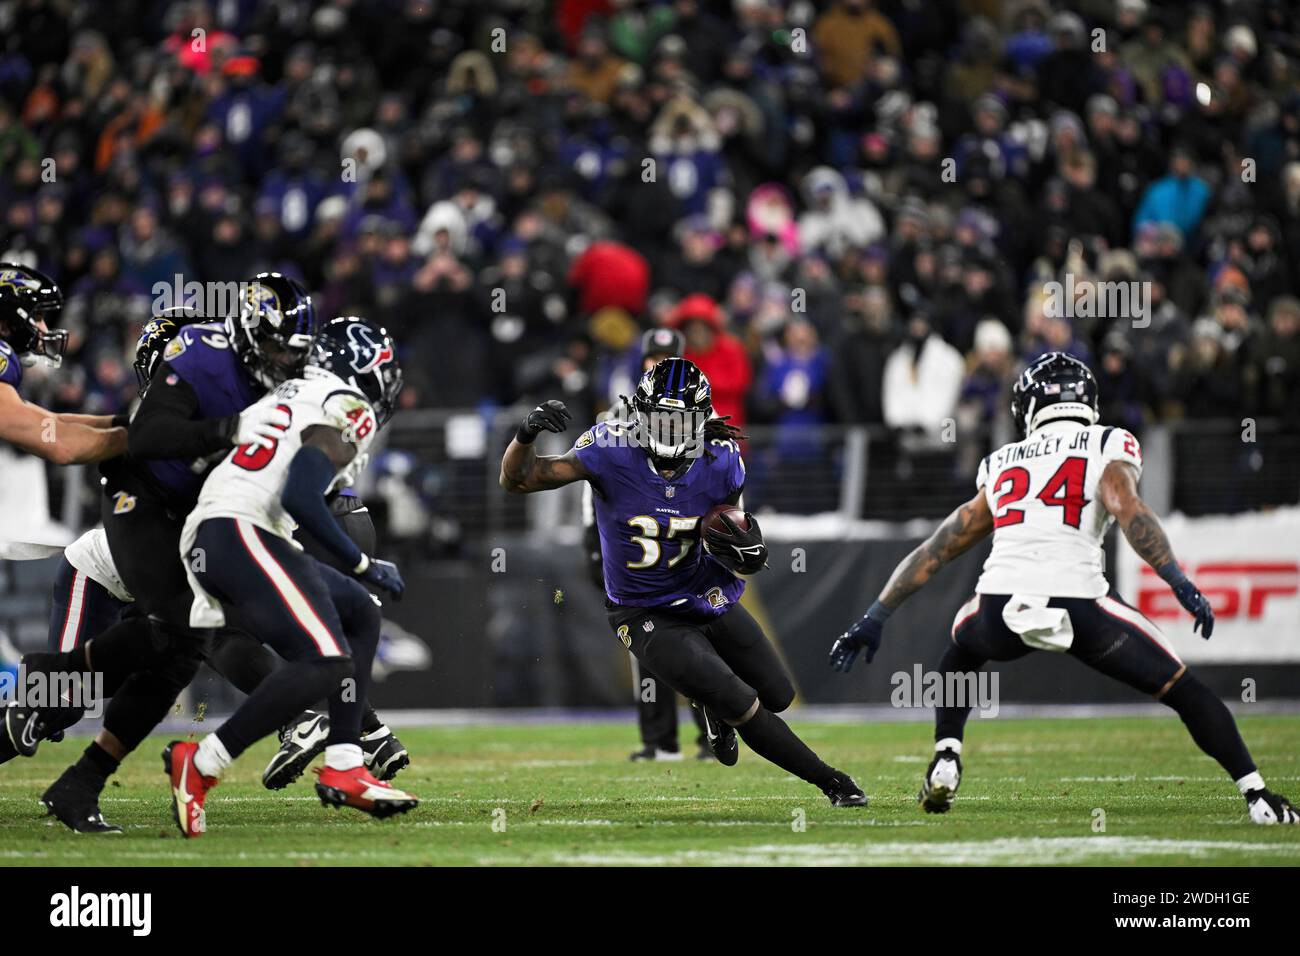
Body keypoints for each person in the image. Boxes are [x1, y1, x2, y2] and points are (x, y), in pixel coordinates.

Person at [828, 352, 1299, 825]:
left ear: (1029, 407)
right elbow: (1129, 511)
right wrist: (1176, 579)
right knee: (1183, 689)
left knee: (960, 651)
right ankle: (1257, 796)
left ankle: (947, 755)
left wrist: (875, 616)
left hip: (998, 608)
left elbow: (940, 547)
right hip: (1081, 605)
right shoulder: (1107, 443)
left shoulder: (1002, 461)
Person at [502, 357, 867, 806]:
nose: (671, 431)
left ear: (701, 419)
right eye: (661, 419)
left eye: (681, 421)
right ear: (640, 414)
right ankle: (833, 783)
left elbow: (728, 529)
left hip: (704, 593)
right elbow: (519, 480)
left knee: (779, 693)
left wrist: (745, 548)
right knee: (740, 701)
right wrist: (525, 435)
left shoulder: (721, 459)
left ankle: (712, 709)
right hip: (645, 610)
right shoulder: (611, 449)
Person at [164, 315, 415, 837]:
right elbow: (300, 494)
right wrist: (361, 562)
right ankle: (202, 761)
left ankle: (345, 763)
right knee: (325, 659)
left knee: (360, 614)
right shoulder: (347, 403)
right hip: (240, 528)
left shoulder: (289, 390)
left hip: (227, 528)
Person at [584, 327, 711, 761]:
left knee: (698, 645)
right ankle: (659, 741)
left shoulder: (704, 417)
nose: (657, 365)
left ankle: (712, 736)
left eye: (666, 358)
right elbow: (591, 479)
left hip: (685, 539)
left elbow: (722, 482)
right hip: (635, 542)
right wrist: (592, 538)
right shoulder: (617, 416)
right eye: (652, 358)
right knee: (646, 645)